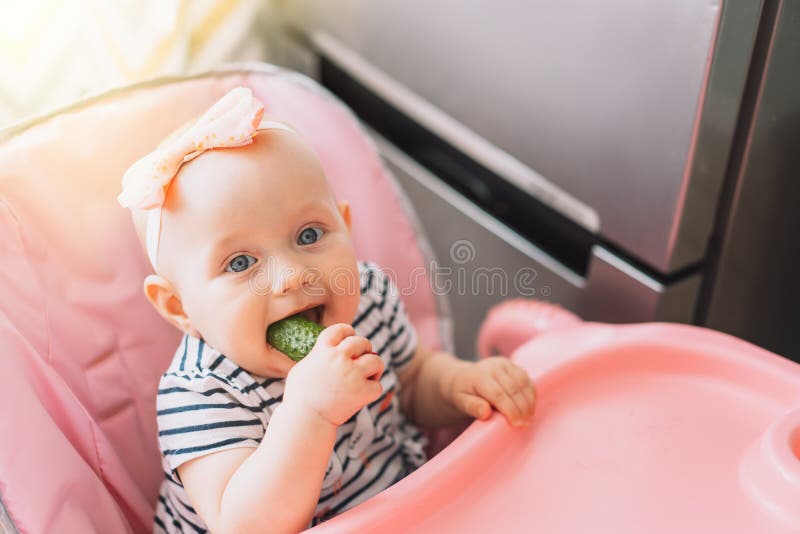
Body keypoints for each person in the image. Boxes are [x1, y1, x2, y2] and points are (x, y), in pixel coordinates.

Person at [118, 87, 537, 533]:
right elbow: (244, 525)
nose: (291, 276)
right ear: (179, 306)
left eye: (309, 236)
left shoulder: (369, 297)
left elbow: (411, 383)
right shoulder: (202, 392)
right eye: (240, 263)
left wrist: (458, 384)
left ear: (345, 226)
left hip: (401, 510)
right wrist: (310, 412)